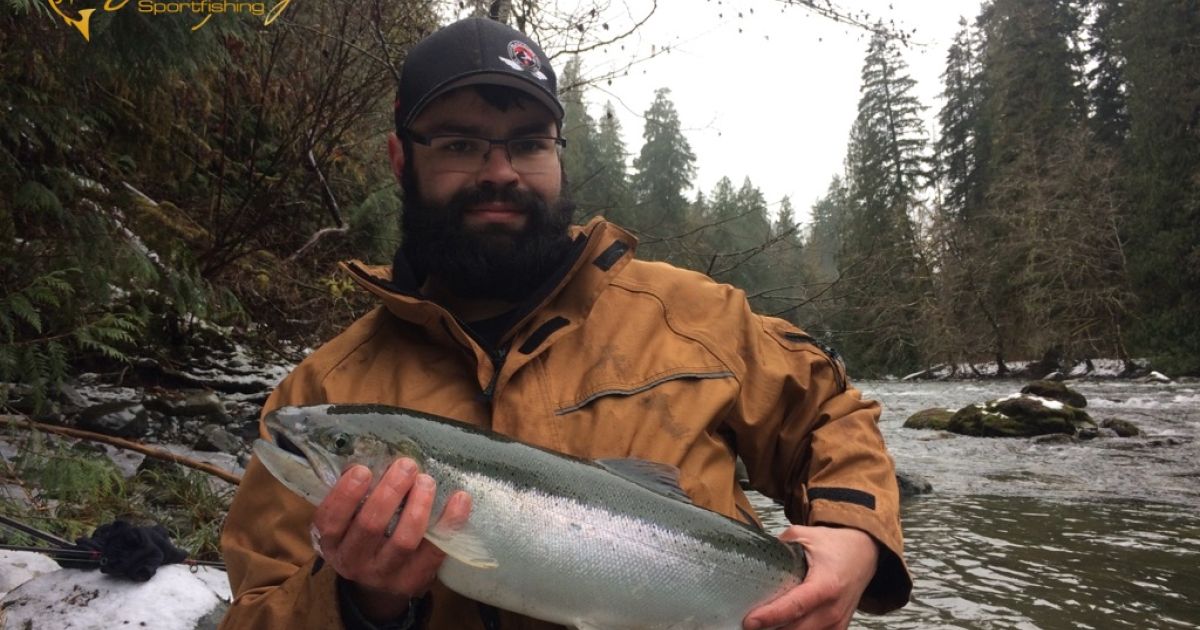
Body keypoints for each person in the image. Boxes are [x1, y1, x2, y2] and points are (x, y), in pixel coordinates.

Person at [220, 16, 912, 630]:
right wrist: (360, 606)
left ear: (558, 153)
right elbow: (255, 612)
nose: (501, 172)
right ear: (403, 160)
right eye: (460, 144)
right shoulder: (318, 392)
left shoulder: (692, 315)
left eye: (528, 144)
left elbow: (831, 413)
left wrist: (853, 538)